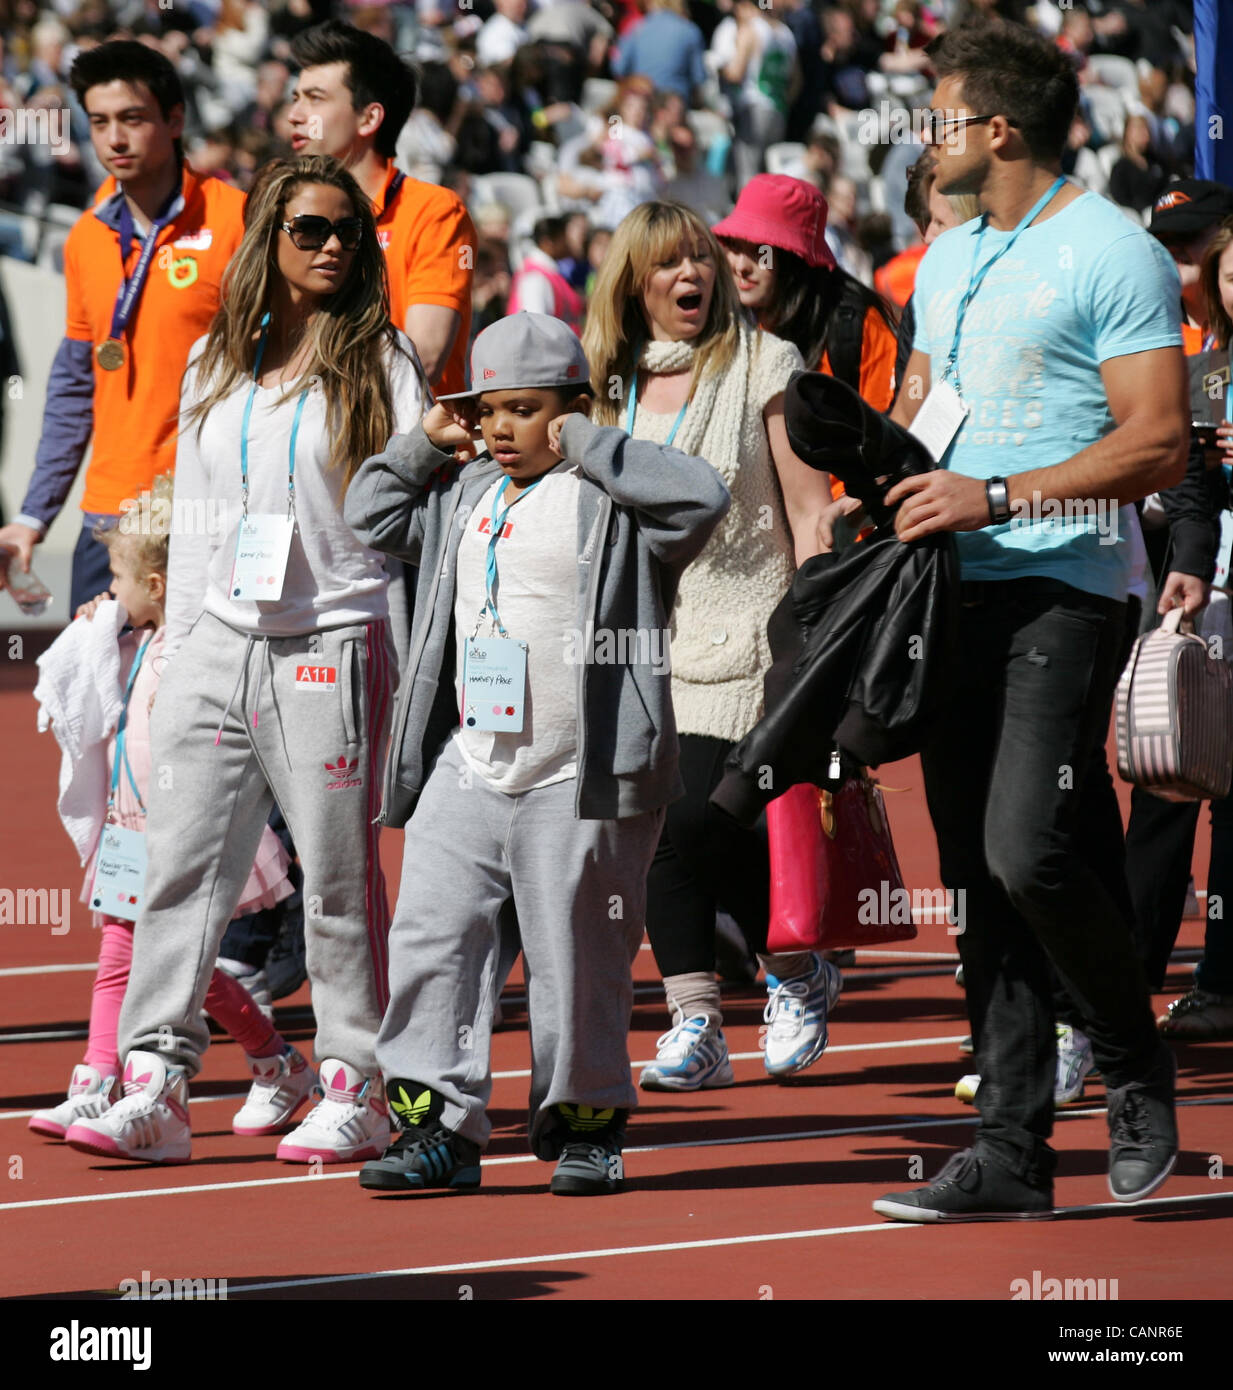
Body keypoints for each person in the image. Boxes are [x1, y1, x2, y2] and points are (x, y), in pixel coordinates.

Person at [864, 20, 1187, 1222]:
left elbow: (1158, 439)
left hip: (1066, 584)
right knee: (982, 881)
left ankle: (1132, 1055)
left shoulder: (1113, 250)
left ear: (996, 129)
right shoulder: (948, 256)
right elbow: (941, 410)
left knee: (1024, 847)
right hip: (949, 587)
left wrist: (996, 494)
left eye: (937, 115)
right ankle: (1009, 1150)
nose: (923, 135)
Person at [64, 155, 428, 1167]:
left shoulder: (382, 364)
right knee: (180, 870)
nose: (331, 246)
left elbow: (405, 518)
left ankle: (355, 1081)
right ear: (267, 235)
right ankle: (156, 1085)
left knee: (337, 878)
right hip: (216, 642)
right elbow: (195, 520)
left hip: (331, 638)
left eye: (348, 232)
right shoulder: (214, 367)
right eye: (310, 228)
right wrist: (175, 653)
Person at [343, 312, 730, 1195]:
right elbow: (368, 512)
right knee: (433, 941)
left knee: (580, 957)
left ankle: (586, 1125)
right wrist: (424, 441)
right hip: (470, 763)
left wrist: (591, 444)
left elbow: (701, 495)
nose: (503, 428)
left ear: (571, 408)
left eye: (526, 409)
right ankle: (436, 1127)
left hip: (579, 773)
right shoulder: (463, 491)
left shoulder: (616, 502)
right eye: (488, 412)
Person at [583, 200, 837, 1089]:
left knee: (699, 815)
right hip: (638, 638)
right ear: (633, 283)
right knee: (651, 830)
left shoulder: (769, 363)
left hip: (751, 629)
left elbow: (808, 513)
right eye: (667, 264)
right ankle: (696, 1022)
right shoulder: (605, 383)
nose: (691, 275)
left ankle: (797, 964)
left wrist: (814, 636)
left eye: (700, 258)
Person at [30, 475, 311, 1151]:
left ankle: (114, 1076)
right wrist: (93, 636)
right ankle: (269, 1060)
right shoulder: (130, 641)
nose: (108, 592)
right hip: (132, 834)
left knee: (153, 959)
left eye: (118, 579)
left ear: (157, 582)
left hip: (184, 832)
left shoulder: (189, 649)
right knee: (157, 962)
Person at [0, 40, 245, 616]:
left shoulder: (239, 221)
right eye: (100, 122)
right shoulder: (85, 236)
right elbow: (75, 386)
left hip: (201, 511)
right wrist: (34, 514)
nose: (114, 138)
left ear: (175, 119)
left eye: (133, 119)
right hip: (108, 513)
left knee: (192, 702)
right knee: (92, 700)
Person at [287, 20, 475, 396]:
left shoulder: (434, 211)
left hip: (406, 449)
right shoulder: (283, 215)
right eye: (296, 97)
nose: (295, 115)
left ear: (369, 118)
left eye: (315, 98)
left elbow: (424, 360)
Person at [714, 173, 899, 415]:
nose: (741, 266)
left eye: (761, 252)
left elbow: (888, 435)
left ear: (796, 260)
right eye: (734, 246)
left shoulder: (855, 325)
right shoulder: (722, 318)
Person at [710, 0, 798, 189]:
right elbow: (797, 80)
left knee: (747, 174)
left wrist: (716, 64)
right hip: (778, 109)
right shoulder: (786, 34)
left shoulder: (751, 30)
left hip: (754, 107)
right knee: (770, 173)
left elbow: (735, 72)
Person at [507, 213, 584, 331]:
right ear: (548, 242)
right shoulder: (535, 277)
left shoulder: (548, 272)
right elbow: (536, 327)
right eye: (564, 239)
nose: (568, 244)